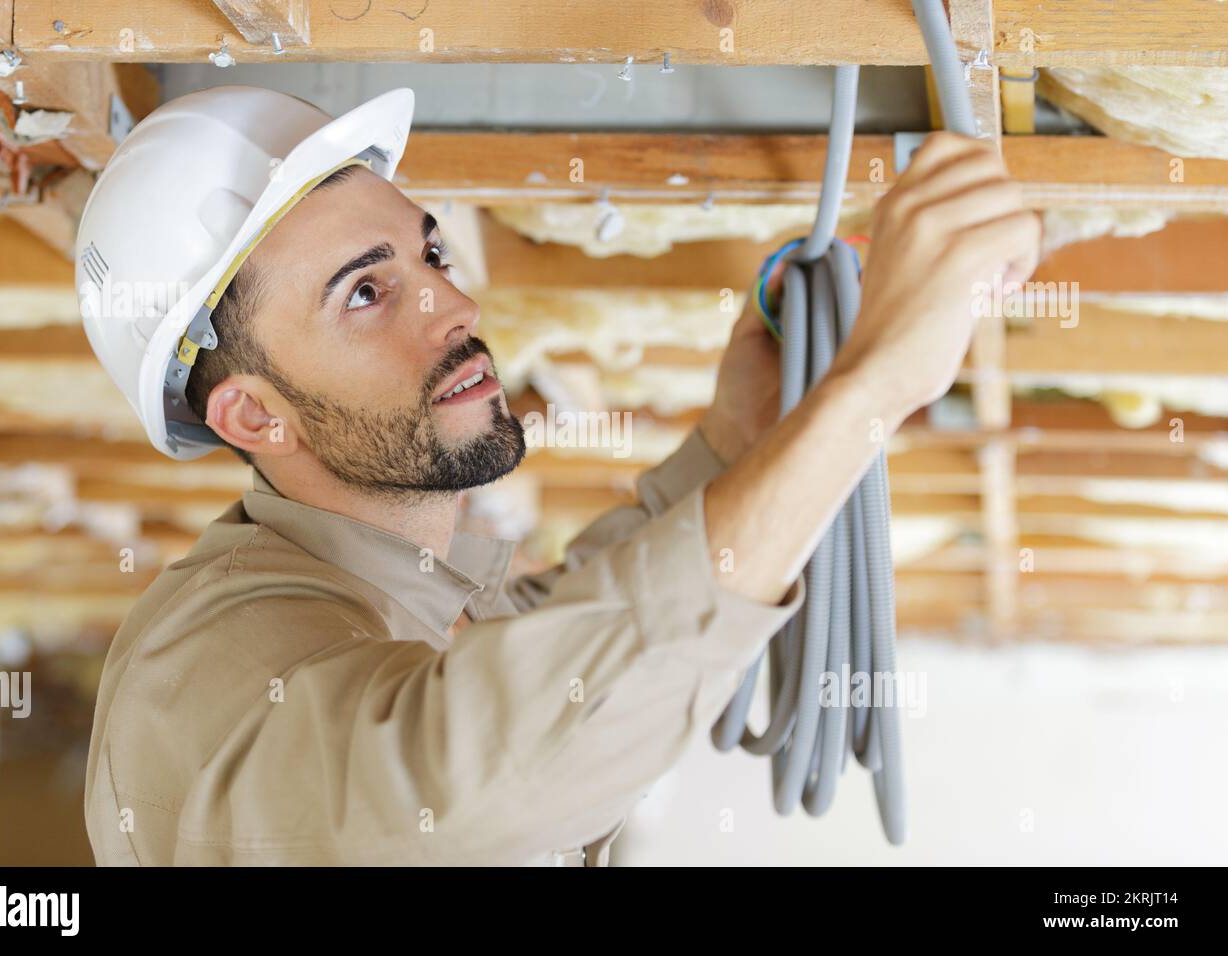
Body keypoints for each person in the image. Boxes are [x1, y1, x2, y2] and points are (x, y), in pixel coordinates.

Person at [78, 87, 1039, 865]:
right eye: (366, 292)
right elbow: (465, 769)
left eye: (430, 253)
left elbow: (543, 645)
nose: (455, 303)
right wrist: (875, 382)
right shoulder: (203, 676)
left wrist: (737, 441)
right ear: (253, 414)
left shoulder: (376, 604)